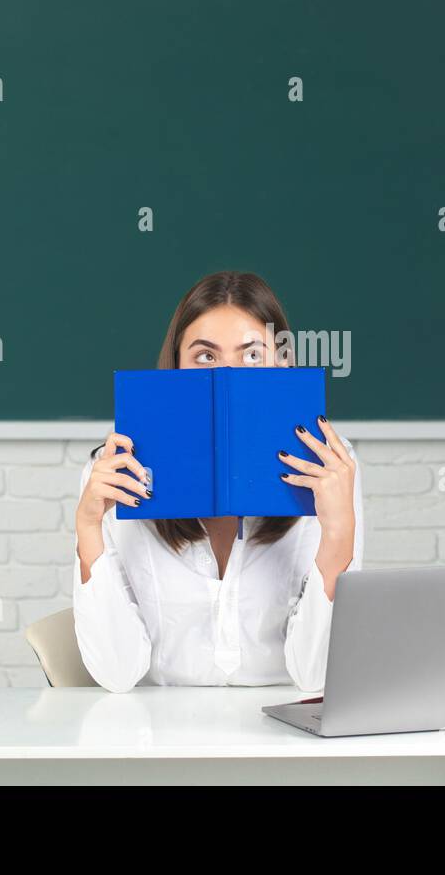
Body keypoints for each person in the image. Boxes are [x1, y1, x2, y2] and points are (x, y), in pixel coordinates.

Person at [72, 271, 363, 692]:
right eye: (205, 356)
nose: (228, 375)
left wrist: (338, 532)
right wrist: (87, 529)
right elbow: (117, 676)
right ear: (175, 367)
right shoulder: (117, 472)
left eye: (251, 355)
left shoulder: (333, 469)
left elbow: (316, 678)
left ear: (284, 365)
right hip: (160, 733)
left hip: (283, 734)